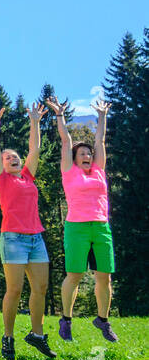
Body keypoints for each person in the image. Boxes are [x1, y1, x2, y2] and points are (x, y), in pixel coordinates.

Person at [0, 102, 58, 360]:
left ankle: (37, 335)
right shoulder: (0, 179)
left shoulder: (28, 177)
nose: (13, 158)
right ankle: (8, 338)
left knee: (40, 286)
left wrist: (35, 121)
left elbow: (35, 149)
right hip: (13, 238)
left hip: (36, 238)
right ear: (2, 165)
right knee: (14, 290)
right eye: (8, 157)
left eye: (15, 156)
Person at [49, 96, 117, 343]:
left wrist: (101, 115)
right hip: (76, 228)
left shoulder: (98, 170)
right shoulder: (69, 172)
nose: (87, 155)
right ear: (75, 158)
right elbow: (66, 141)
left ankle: (103, 320)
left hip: (101, 227)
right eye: (83, 153)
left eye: (89, 153)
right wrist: (59, 115)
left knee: (104, 277)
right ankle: (66, 320)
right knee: (74, 275)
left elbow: (100, 139)